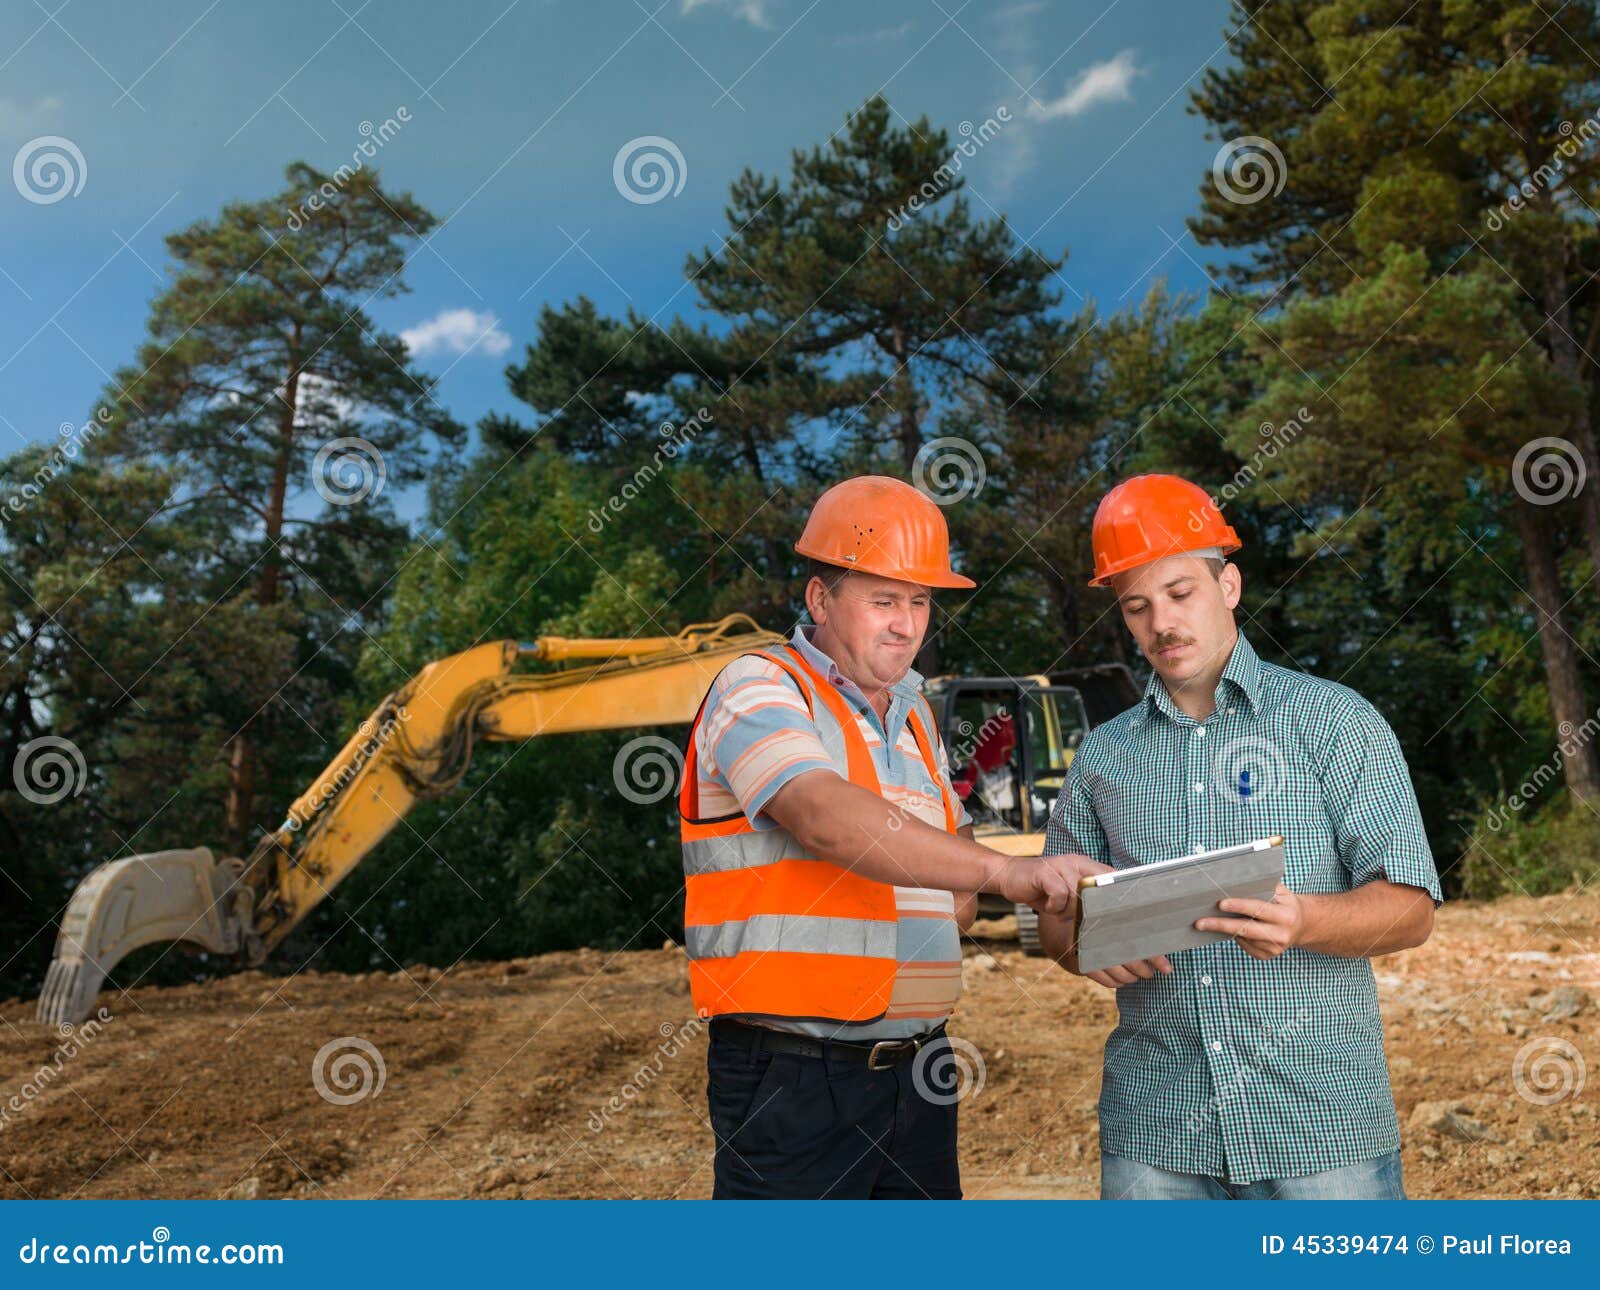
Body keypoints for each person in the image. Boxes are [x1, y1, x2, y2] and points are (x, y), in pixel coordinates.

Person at [679, 474, 1091, 1199]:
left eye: (920, 601)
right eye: (883, 600)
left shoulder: (917, 715)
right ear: (820, 599)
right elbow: (822, 815)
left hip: (917, 1071)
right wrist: (1011, 875)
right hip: (793, 1074)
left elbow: (953, 880)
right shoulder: (761, 686)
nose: (906, 623)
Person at [1037, 473, 1442, 1201]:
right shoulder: (1102, 756)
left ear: (1228, 586)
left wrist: (1308, 919)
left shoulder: (1334, 722)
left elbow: (1412, 910)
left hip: (1319, 1132)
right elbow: (1055, 924)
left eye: (1180, 593)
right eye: (1137, 607)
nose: (1161, 622)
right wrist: (1086, 943)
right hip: (1156, 1136)